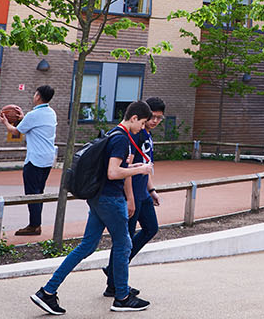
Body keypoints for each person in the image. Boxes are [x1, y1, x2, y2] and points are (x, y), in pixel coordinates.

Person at [31, 100, 154, 315]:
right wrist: (140, 170)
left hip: (98, 198)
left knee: (87, 246)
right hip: (111, 199)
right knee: (124, 245)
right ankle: (122, 297)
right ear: (133, 118)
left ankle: (48, 291)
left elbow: (114, 168)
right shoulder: (122, 140)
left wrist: (134, 167)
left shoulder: (112, 133)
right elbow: (113, 173)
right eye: (142, 123)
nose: (143, 128)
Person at [103, 97, 165, 296]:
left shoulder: (146, 135)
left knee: (151, 228)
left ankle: (114, 269)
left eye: (159, 118)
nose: (155, 121)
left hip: (143, 193)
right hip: (132, 195)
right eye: (152, 117)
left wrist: (151, 189)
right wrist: (129, 198)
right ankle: (114, 283)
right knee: (124, 240)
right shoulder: (134, 135)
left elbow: (145, 165)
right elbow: (126, 168)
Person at [1, 84, 58, 236]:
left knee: (32, 193)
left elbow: (16, 131)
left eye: (35, 94)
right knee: (39, 192)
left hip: (34, 159)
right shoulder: (51, 113)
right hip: (47, 159)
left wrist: (6, 122)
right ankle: (36, 223)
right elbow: (33, 124)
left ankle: (34, 226)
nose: (34, 96)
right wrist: (22, 118)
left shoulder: (33, 115)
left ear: (38, 96)